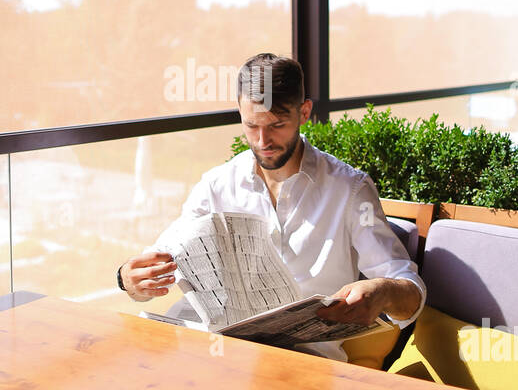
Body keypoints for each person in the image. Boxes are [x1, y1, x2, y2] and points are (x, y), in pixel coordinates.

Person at [116, 52, 426, 362]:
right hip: (223, 357)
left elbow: (409, 289)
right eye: (251, 126)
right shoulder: (217, 185)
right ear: (240, 113)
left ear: (304, 112)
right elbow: (158, 259)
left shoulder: (348, 189)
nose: (263, 140)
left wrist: (383, 290)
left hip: (305, 363)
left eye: (277, 124)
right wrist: (130, 279)